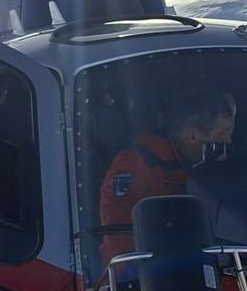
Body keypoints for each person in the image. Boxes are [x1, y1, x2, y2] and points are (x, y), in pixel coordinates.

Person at [98, 89, 236, 266]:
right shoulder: (135, 166)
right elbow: (120, 249)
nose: (229, 141)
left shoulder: (203, 165)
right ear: (193, 136)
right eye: (224, 133)